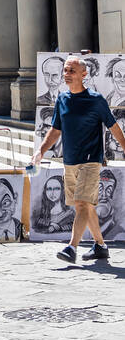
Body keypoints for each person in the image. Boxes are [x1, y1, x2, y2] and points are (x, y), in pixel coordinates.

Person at [32, 54, 125, 264]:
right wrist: (40, 151)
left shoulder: (96, 100)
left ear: (84, 74)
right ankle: (100, 246)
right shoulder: (62, 100)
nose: (67, 74)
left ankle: (71, 247)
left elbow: (114, 127)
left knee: (83, 203)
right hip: (70, 161)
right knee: (84, 205)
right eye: (65, 70)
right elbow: (55, 131)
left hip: (91, 160)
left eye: (71, 70)